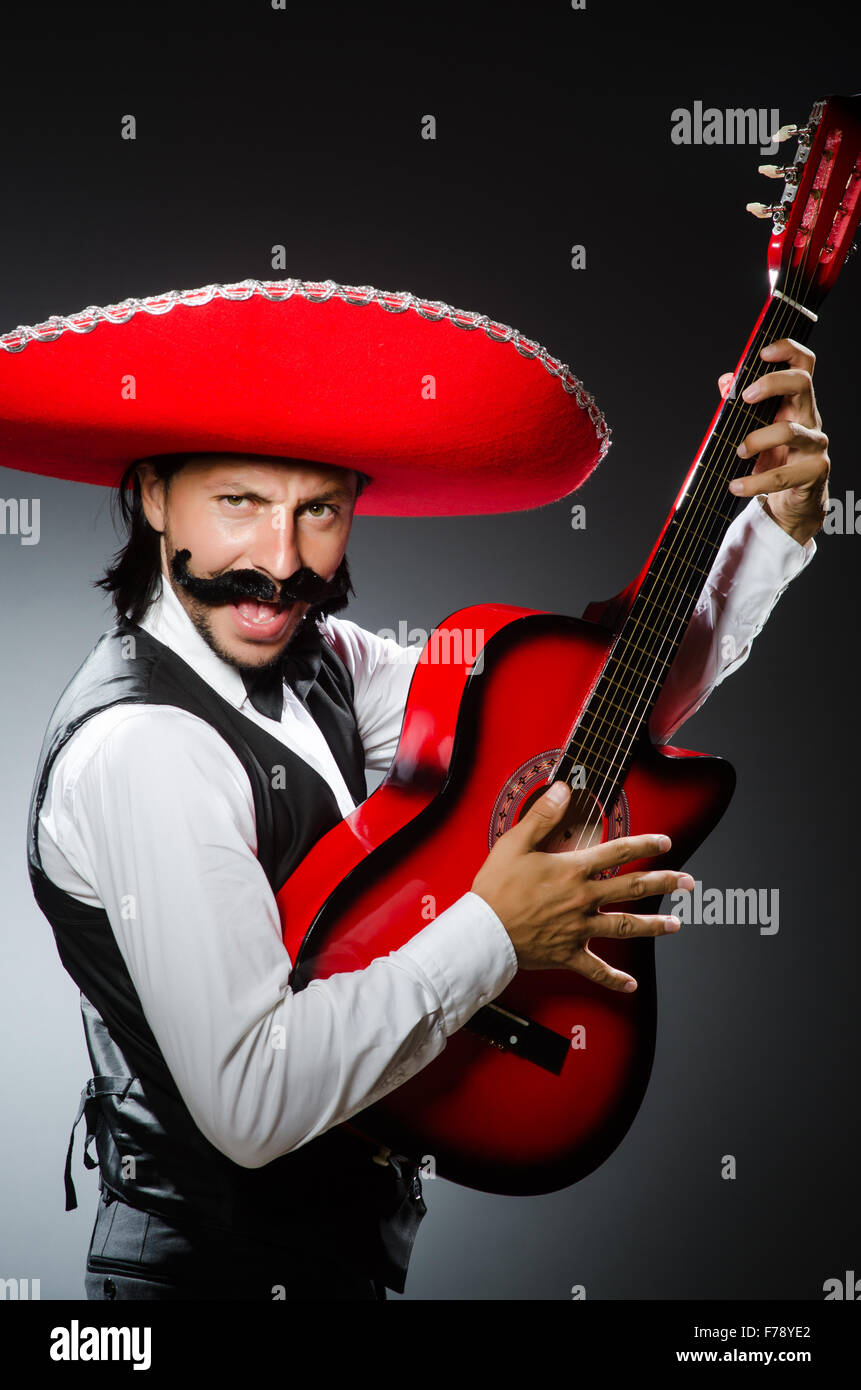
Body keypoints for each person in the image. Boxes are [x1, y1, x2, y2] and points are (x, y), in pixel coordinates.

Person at [10, 279, 827, 1300]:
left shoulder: (330, 663)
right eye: (240, 503)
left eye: (319, 511)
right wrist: (494, 929)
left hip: (339, 1263)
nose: (279, 562)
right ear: (152, 494)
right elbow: (252, 1103)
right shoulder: (145, 748)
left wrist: (767, 527)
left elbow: (584, 718)